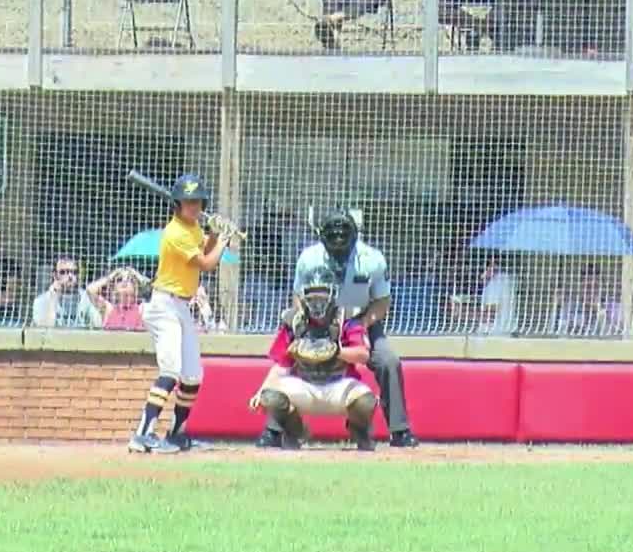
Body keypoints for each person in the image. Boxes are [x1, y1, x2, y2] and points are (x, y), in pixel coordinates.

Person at [127, 174, 237, 454]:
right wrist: (225, 240)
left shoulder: (193, 228)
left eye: (197, 202)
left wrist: (214, 234)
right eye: (188, 202)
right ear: (177, 204)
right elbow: (207, 263)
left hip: (181, 306)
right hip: (164, 305)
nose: (194, 207)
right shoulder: (175, 233)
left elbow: (204, 248)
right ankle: (141, 435)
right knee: (170, 370)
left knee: (192, 375)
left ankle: (177, 435)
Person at [293, 209, 418, 448]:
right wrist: (305, 326)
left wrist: (363, 324)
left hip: (359, 319)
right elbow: (298, 296)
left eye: (344, 236)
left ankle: (400, 430)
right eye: (333, 237)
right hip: (318, 321)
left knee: (388, 360)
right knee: (290, 355)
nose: (339, 241)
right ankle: (274, 429)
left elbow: (382, 301)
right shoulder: (309, 258)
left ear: (354, 236)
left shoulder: (372, 259)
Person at [248, 269, 378, 451]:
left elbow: (363, 354)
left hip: (338, 385)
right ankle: (296, 431)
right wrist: (260, 392)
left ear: (333, 295)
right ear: (303, 297)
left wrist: (337, 351)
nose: (317, 302)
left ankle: (359, 431)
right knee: (270, 396)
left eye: (322, 296)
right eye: (312, 297)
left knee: (366, 401)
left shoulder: (346, 318)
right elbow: (281, 365)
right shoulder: (294, 321)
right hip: (305, 385)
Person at [32, 255, 101, 328]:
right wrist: (53, 300)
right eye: (63, 272)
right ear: (55, 275)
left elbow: (98, 325)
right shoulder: (41, 301)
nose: (70, 276)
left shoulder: (86, 297)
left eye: (74, 272)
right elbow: (44, 330)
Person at [85, 266, 147, 331]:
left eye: (129, 280)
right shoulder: (109, 309)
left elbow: (153, 291)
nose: (124, 282)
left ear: (135, 288)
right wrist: (112, 276)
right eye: (119, 280)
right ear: (113, 288)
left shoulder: (142, 309)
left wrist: (137, 275)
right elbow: (90, 289)